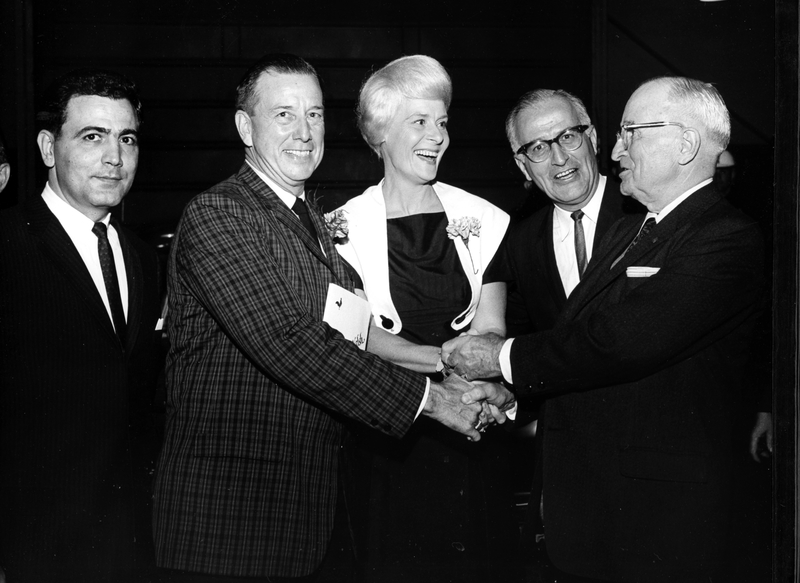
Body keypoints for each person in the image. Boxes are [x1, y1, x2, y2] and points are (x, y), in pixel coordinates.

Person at [152, 53, 507, 583]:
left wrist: (453, 361)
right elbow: (290, 342)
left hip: (306, 518)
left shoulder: (315, 226)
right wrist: (436, 400)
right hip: (231, 524)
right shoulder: (220, 213)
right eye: (284, 115)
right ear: (245, 127)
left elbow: (358, 331)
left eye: (314, 114)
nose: (304, 131)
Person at [443, 76, 765, 582]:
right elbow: (567, 339)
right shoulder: (635, 232)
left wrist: (498, 359)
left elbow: (617, 342)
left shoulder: (724, 239)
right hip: (589, 503)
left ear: (684, 144)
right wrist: (503, 390)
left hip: (659, 515)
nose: (617, 150)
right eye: (537, 148)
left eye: (629, 132)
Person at [331, 55, 517, 583]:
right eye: (419, 122)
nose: (437, 136)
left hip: (473, 424)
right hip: (391, 435)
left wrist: (470, 380)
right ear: (379, 133)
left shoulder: (484, 219)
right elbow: (358, 337)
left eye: (443, 123)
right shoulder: (339, 230)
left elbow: (492, 328)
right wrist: (443, 365)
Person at [0, 69, 163, 582]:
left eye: (127, 139)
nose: (114, 157)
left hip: (130, 542)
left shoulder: (143, 257)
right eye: (92, 136)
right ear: (49, 148)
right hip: (34, 545)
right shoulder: (7, 245)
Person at [502, 88, 640, 581]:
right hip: (570, 471)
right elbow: (517, 343)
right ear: (523, 167)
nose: (559, 157)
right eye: (538, 148)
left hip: (648, 462)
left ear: (594, 138)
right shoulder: (520, 241)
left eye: (568, 137)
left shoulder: (646, 214)